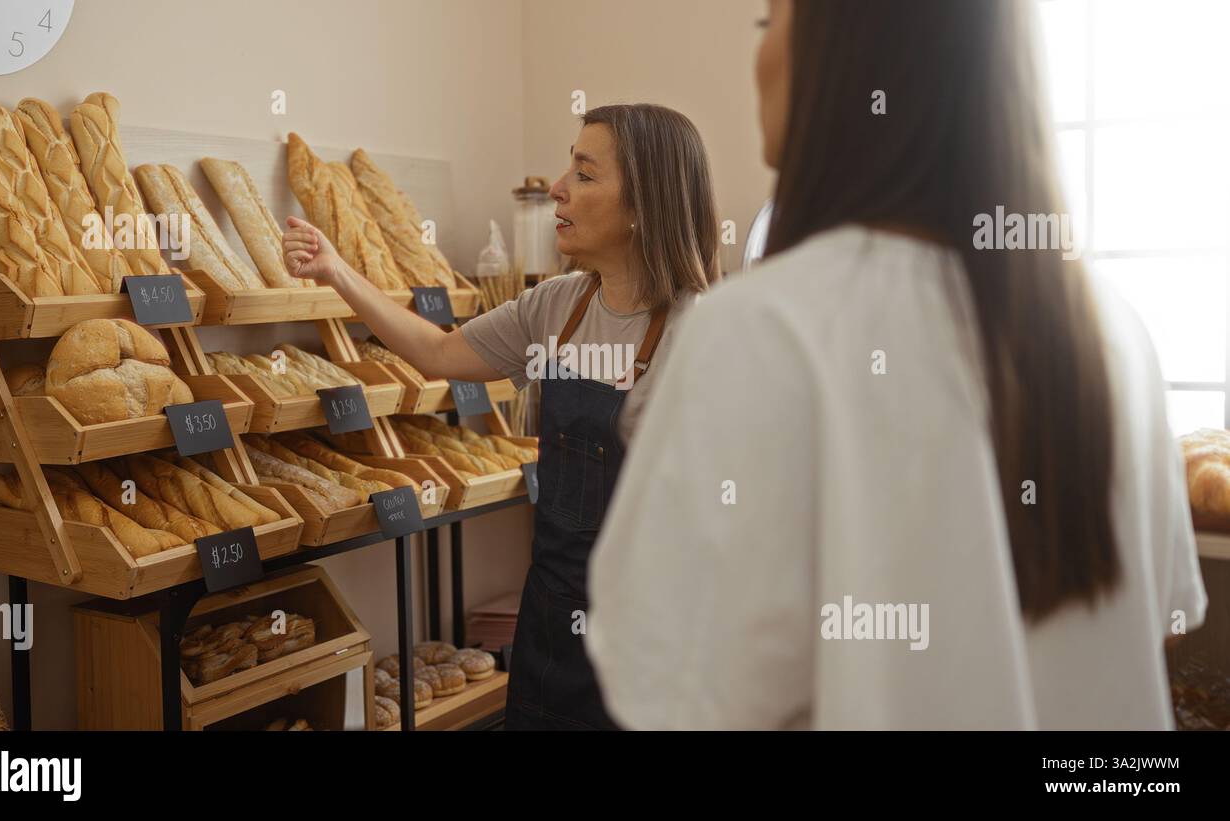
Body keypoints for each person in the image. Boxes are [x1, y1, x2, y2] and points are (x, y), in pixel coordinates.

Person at [586, 0, 1207, 729]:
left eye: (769, 24)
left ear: (842, 55)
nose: (759, 59)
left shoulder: (764, 329)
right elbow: (1160, 620)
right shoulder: (1115, 333)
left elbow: (674, 689)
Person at [282, 103, 721, 729]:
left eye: (587, 176)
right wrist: (336, 271)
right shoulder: (557, 306)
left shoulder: (702, 333)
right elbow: (437, 351)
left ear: (644, 204)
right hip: (551, 633)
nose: (559, 189)